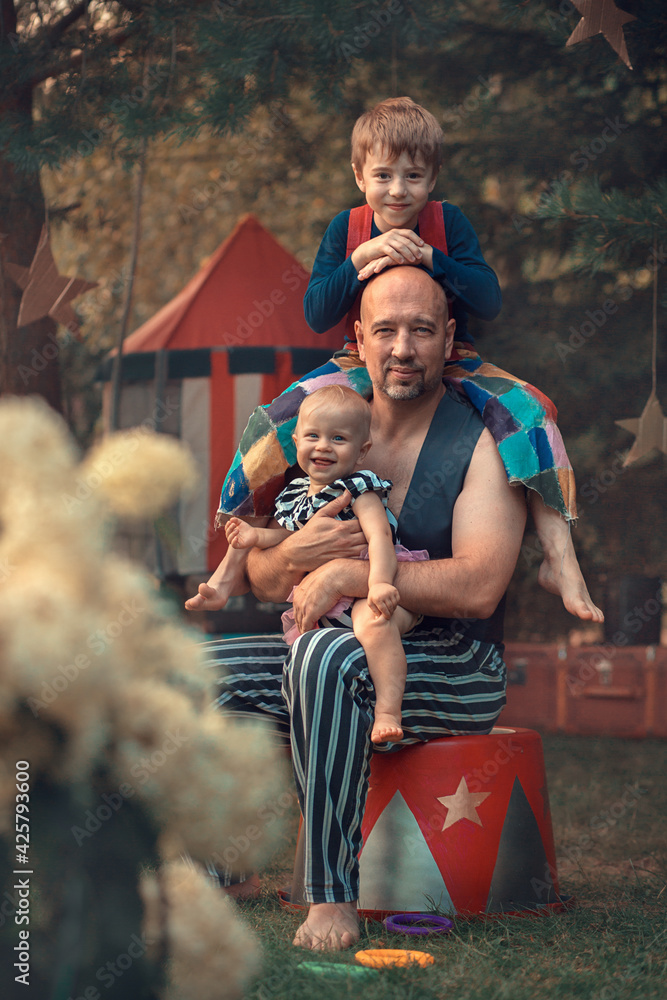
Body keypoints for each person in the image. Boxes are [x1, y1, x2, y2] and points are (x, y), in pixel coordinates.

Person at [201, 267, 527, 950]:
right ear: (358, 339)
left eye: (419, 330)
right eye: (385, 329)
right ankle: (211, 871)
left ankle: (329, 897)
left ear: (448, 340)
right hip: (328, 636)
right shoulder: (326, 426)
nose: (401, 347)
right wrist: (295, 557)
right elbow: (263, 579)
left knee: (324, 655)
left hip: (452, 661)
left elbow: (478, 589)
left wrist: (350, 570)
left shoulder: (480, 441)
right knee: (188, 667)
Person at [208, 96, 603, 625]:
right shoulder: (346, 230)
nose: (398, 191)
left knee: (531, 410)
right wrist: (357, 262)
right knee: (273, 420)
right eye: (383, 176)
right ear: (358, 176)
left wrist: (433, 259)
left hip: (447, 355)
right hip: (358, 359)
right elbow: (316, 312)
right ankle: (234, 549)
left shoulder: (447, 223)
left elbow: (488, 300)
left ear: (433, 177)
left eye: (413, 176)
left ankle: (560, 559)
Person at [226, 383, 429, 745]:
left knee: (374, 626)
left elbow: (380, 536)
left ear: (361, 450)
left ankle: (387, 709)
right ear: (297, 442)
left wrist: (380, 583)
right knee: (311, 649)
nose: (323, 446)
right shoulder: (294, 495)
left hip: (371, 589)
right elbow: (290, 539)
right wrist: (255, 538)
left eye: (338, 439)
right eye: (313, 436)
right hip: (332, 606)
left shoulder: (358, 488)